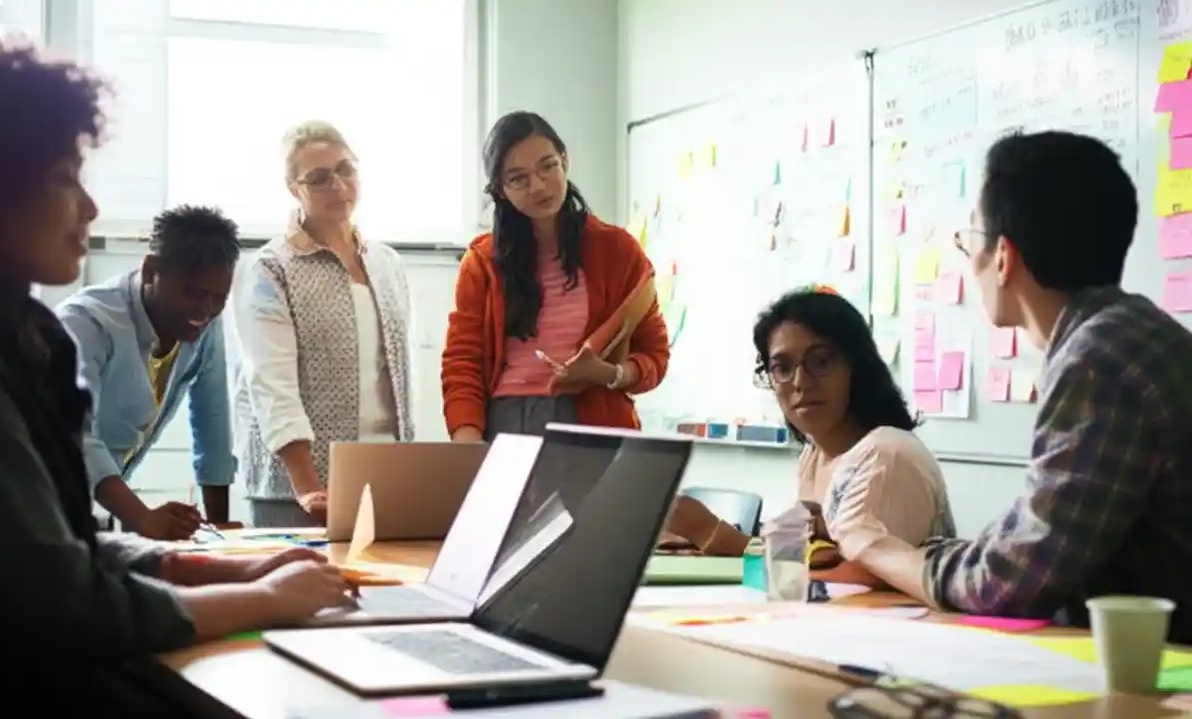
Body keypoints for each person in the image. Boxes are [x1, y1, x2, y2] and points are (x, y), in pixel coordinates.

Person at [0, 39, 354, 714]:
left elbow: (66, 547)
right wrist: (261, 599)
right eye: (65, 178)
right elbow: (62, 598)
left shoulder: (12, 327)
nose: (90, 208)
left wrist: (220, 564)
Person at [848, 131, 1192, 643]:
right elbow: (1032, 540)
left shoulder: (1099, 359)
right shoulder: (1134, 332)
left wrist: (878, 551)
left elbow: (1011, 585)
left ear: (1004, 257)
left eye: (970, 241)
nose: (969, 260)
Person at [664, 288, 955, 586]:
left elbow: (854, 583)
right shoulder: (815, 453)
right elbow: (812, 558)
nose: (800, 382)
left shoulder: (885, 455)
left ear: (857, 367)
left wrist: (713, 534)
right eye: (782, 367)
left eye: (821, 362)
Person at [442, 111, 669, 441]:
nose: (538, 186)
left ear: (565, 160)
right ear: (500, 190)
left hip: (594, 422)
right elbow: (463, 362)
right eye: (518, 179)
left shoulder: (618, 251)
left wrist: (610, 373)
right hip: (507, 422)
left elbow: (655, 355)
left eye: (547, 166)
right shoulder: (482, 262)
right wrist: (467, 442)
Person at [233, 120, 415, 528]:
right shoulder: (271, 268)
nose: (338, 185)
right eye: (318, 178)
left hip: (381, 476)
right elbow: (271, 382)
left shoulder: (387, 263)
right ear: (292, 188)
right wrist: (307, 486)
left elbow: (398, 381)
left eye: (346, 169)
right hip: (296, 490)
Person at [58, 205, 239, 539]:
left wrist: (222, 532)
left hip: (90, 502)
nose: (205, 311)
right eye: (194, 294)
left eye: (219, 299)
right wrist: (142, 518)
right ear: (150, 271)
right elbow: (75, 434)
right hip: (37, 495)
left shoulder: (205, 325)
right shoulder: (86, 323)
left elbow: (212, 420)